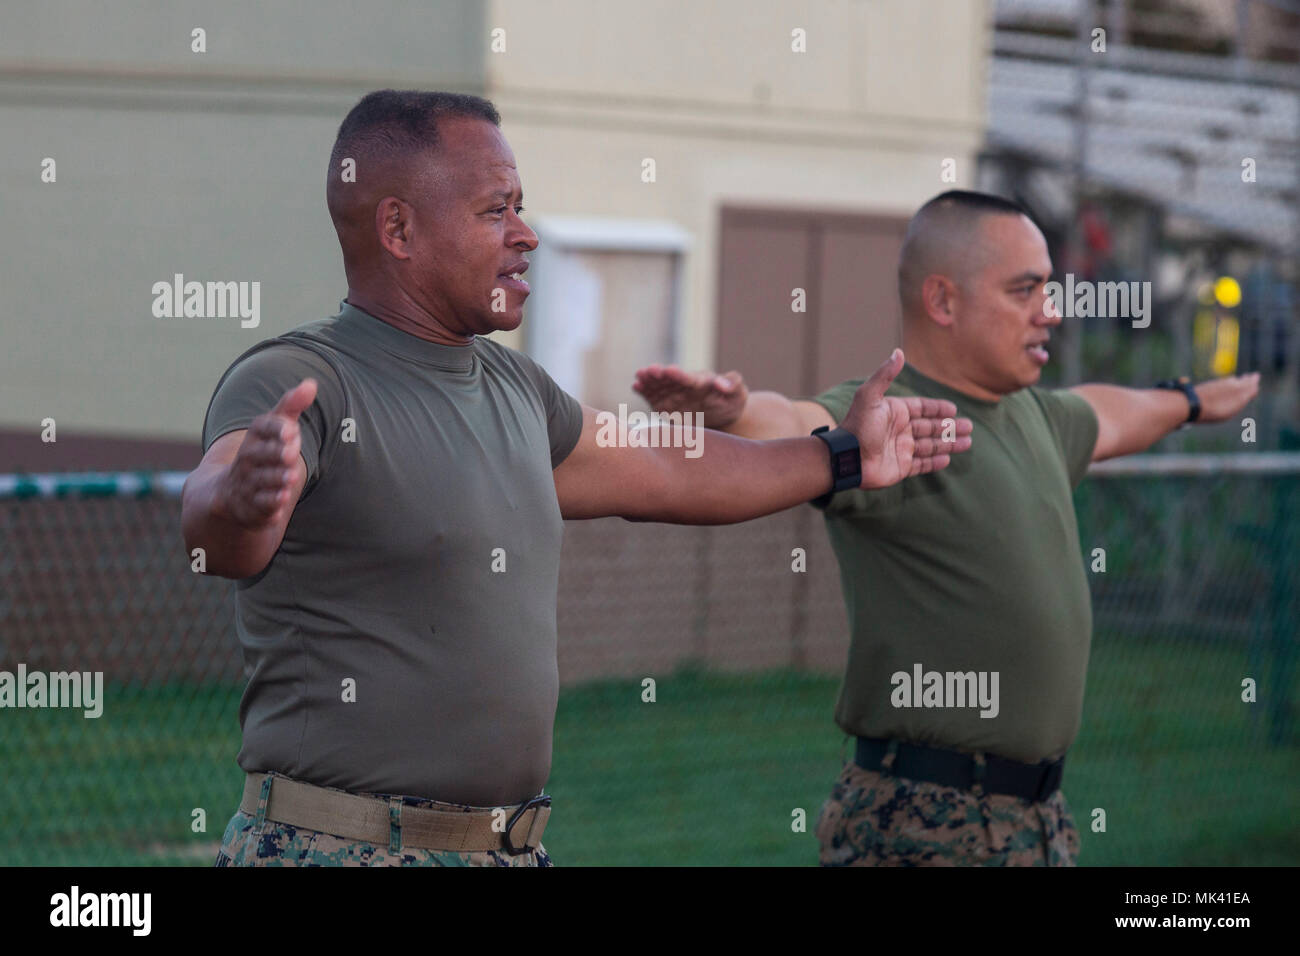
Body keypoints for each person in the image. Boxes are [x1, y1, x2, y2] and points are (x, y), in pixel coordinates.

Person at [180, 91, 972, 867]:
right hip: (338, 849)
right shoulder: (299, 378)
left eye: (521, 207)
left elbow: (667, 464)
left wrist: (839, 457)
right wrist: (245, 500)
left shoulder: (518, 389)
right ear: (399, 228)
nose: (525, 235)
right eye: (496, 211)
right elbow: (218, 529)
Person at [633, 189, 1260, 866]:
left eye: (1049, 290)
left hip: (1034, 822)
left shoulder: (1037, 417)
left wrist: (1189, 400)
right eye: (1025, 291)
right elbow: (797, 422)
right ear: (943, 301)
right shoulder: (891, 418)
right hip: (925, 824)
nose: (1049, 312)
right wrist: (735, 412)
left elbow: (1108, 412)